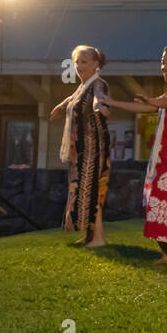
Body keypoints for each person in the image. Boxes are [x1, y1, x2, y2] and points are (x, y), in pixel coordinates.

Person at [105, 45, 167, 268]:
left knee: (166, 207)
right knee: (153, 205)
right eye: (162, 62)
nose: (164, 66)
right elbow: (145, 107)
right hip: (161, 162)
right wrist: (112, 102)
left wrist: (151, 101)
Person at [52, 45, 111, 247]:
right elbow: (73, 99)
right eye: (77, 62)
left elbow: (99, 99)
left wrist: (99, 106)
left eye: (84, 61)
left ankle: (98, 238)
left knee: (93, 192)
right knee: (81, 193)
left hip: (94, 148)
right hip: (80, 150)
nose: (79, 66)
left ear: (96, 64)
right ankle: (89, 236)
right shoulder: (82, 87)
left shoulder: (99, 85)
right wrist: (60, 106)